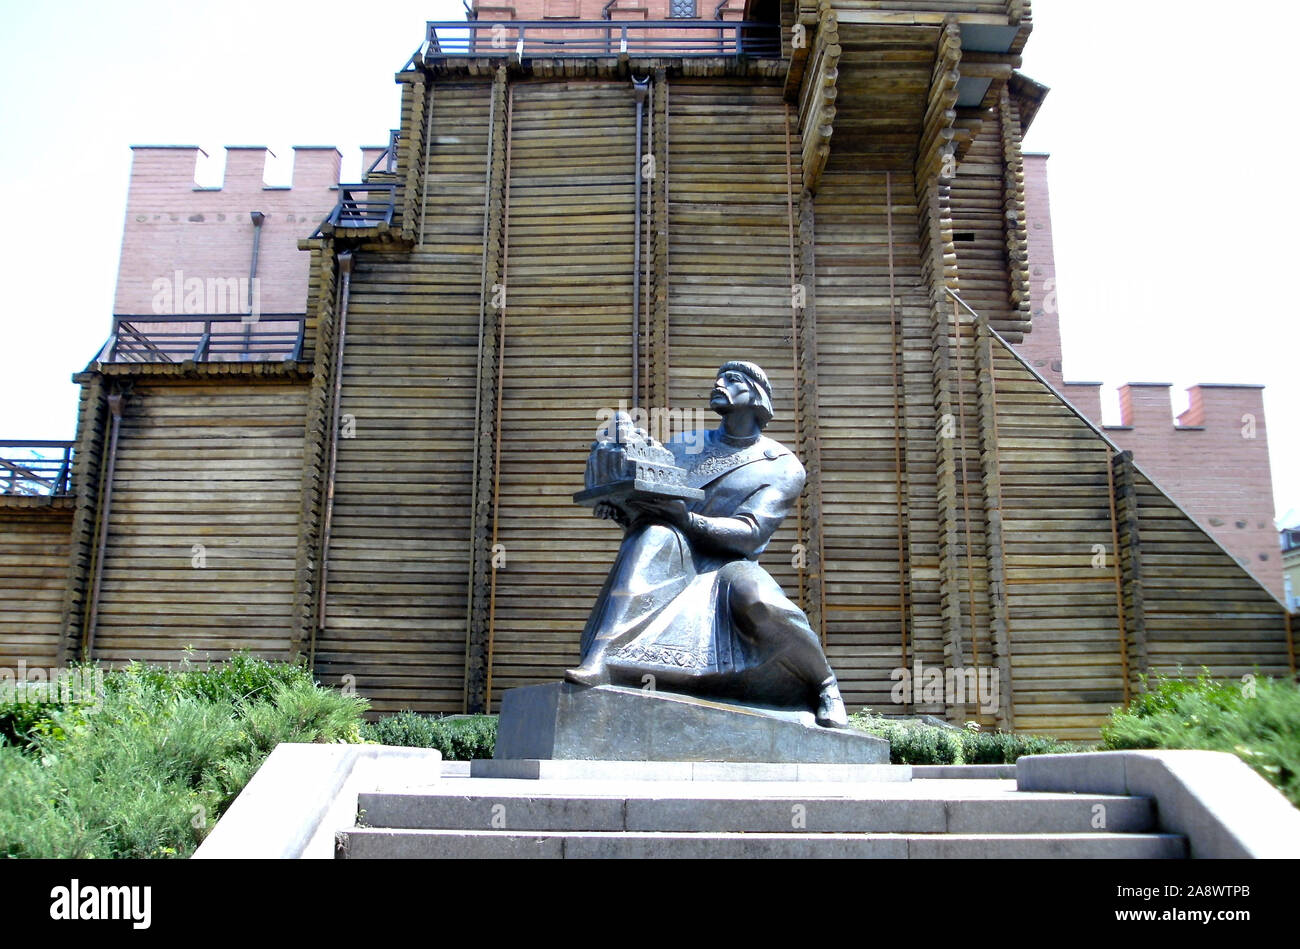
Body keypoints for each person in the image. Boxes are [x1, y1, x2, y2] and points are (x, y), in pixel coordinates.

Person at [566, 360, 849, 727]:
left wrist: (686, 518)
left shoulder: (782, 465)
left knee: (759, 600)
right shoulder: (686, 444)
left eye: (733, 379)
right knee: (653, 535)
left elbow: (750, 533)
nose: (719, 383)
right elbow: (658, 504)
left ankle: (824, 683)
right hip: (677, 548)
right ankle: (602, 660)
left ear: (758, 395)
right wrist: (622, 508)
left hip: (731, 562)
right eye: (720, 377)